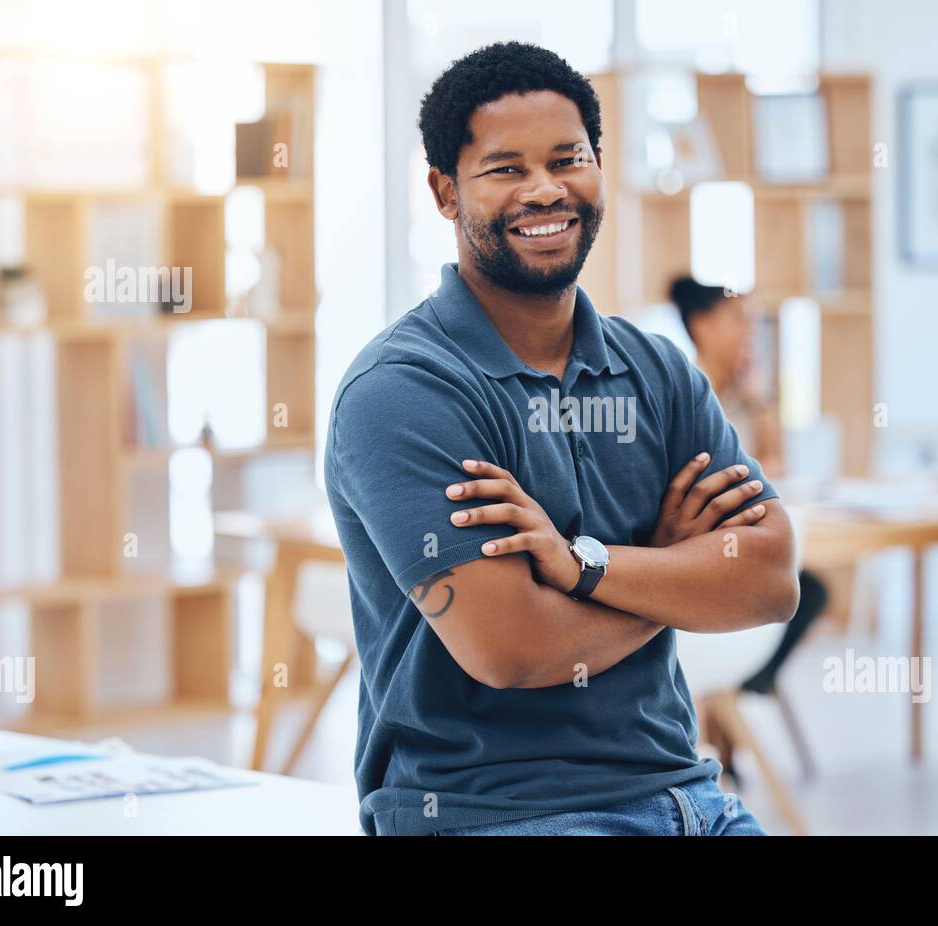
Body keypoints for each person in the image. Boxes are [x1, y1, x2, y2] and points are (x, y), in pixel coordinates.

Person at [324, 42, 800, 836]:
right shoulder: (402, 393)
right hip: (497, 814)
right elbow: (511, 650)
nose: (545, 189)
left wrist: (585, 564)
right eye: (505, 168)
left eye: (567, 159)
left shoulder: (656, 369)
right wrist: (671, 570)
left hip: (693, 799)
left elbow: (771, 580)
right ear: (445, 191)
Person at [669, 275, 829, 704]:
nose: (749, 333)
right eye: (739, 321)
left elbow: (775, 466)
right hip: (703, 556)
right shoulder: (681, 393)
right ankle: (736, 693)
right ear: (703, 326)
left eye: (753, 322)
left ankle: (737, 695)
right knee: (796, 589)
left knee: (807, 588)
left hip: (742, 542)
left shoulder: (741, 396)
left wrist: (759, 401)